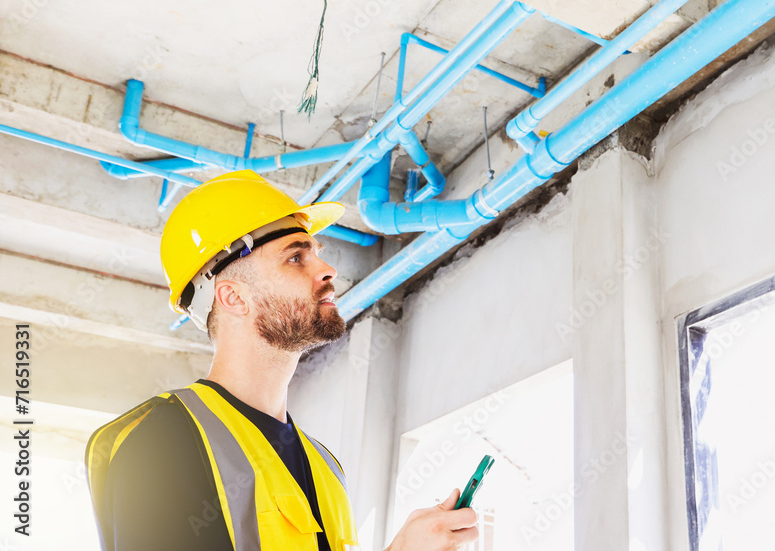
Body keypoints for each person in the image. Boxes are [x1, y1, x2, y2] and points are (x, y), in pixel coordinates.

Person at [85, 169, 479, 551]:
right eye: (296, 258)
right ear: (233, 297)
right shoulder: (158, 442)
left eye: (316, 254)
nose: (328, 270)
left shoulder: (325, 466)